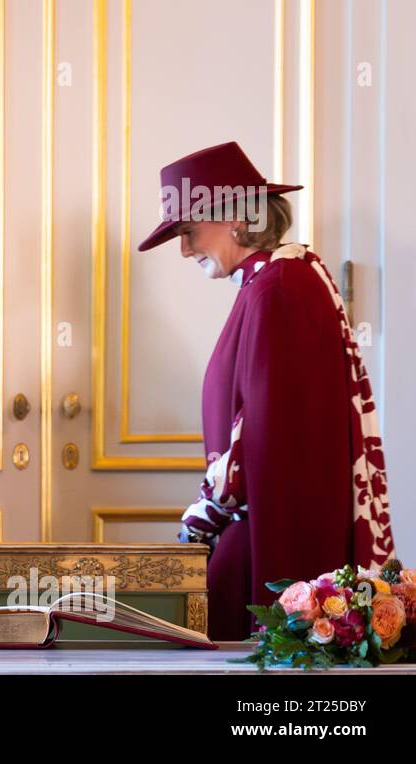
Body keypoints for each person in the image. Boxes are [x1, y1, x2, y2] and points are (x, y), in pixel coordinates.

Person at [138, 141, 394, 640]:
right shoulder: (280, 279)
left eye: (188, 232)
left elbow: (255, 438)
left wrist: (197, 523)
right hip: (276, 534)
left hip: (267, 546)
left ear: (235, 217)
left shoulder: (276, 288)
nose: (185, 250)